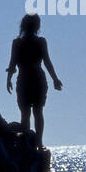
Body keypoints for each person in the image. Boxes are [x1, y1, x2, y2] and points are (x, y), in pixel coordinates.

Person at [6, 13, 62, 146]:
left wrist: (8, 79)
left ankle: (29, 143)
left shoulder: (17, 43)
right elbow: (47, 62)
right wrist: (55, 79)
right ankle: (39, 143)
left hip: (25, 79)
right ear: (37, 26)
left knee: (26, 114)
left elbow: (12, 64)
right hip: (37, 79)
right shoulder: (40, 42)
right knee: (38, 112)